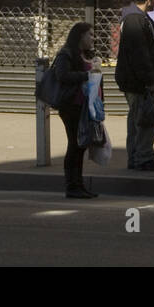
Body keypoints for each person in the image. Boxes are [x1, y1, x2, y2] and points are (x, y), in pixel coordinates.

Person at [115, 0, 154, 171]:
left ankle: (137, 157)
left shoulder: (135, 18)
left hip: (135, 81)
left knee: (137, 119)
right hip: (140, 83)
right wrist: (150, 80)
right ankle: (142, 157)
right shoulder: (136, 20)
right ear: (147, 0)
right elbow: (141, 54)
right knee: (145, 119)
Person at [53, 22, 100, 199]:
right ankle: (71, 185)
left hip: (84, 106)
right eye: (90, 35)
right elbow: (62, 75)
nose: (92, 38)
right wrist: (86, 75)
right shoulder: (66, 54)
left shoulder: (86, 54)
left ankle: (79, 184)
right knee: (74, 143)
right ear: (80, 36)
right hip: (71, 105)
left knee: (81, 145)